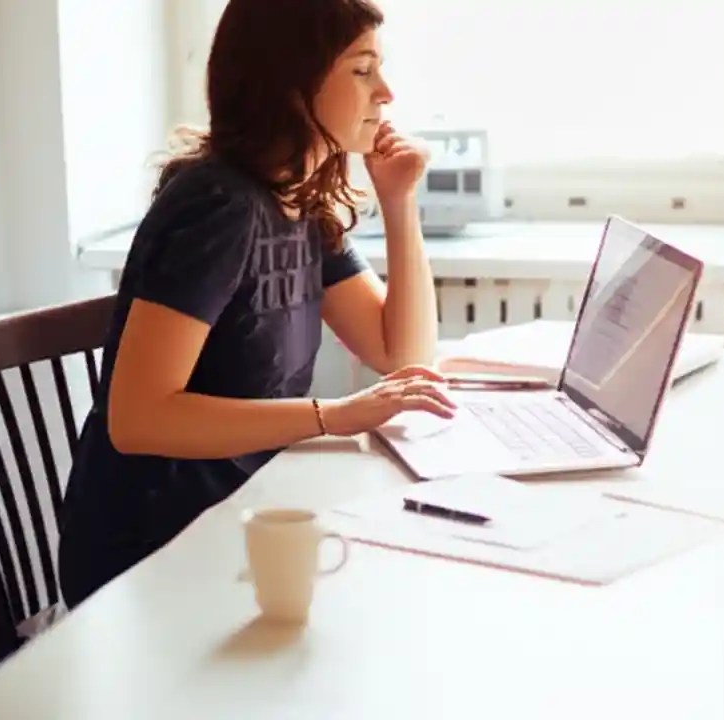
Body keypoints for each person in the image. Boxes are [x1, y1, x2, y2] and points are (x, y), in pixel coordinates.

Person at [57, 0, 456, 608]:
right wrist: (331, 414)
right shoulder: (219, 206)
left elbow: (402, 355)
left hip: (239, 515)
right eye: (362, 70)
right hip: (154, 550)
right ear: (292, 83)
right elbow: (138, 419)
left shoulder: (299, 200)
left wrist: (399, 203)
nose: (387, 93)